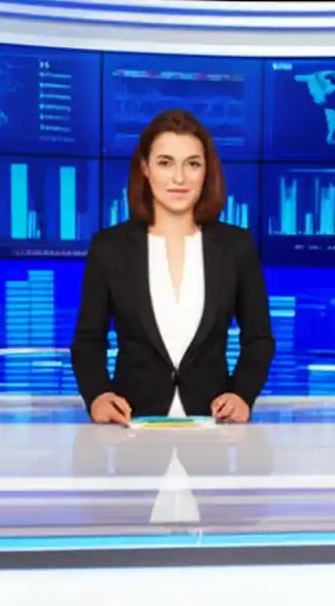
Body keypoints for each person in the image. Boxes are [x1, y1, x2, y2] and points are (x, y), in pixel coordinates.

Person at [70, 109, 274, 425]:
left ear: (206, 172)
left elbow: (258, 338)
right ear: (145, 168)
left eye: (192, 164)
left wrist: (242, 395)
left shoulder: (236, 247)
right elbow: (88, 340)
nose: (179, 178)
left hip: (213, 429)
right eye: (165, 163)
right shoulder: (109, 247)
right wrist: (98, 396)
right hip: (131, 429)